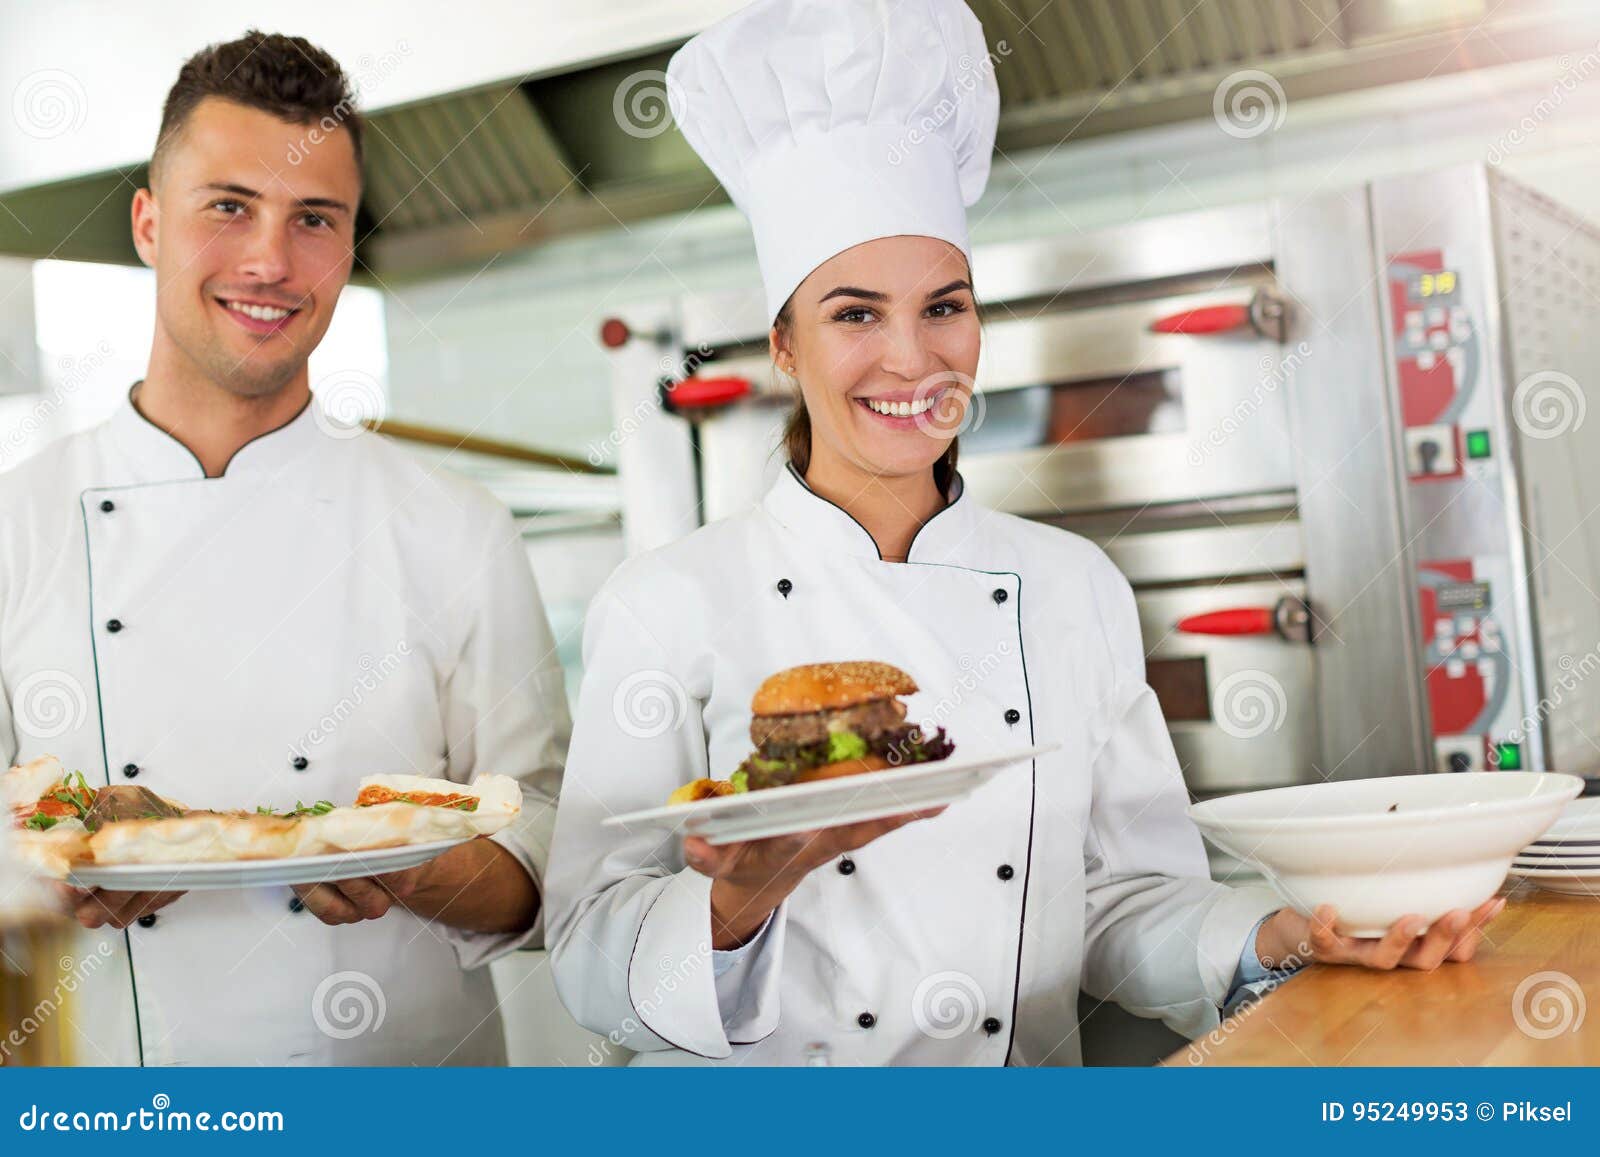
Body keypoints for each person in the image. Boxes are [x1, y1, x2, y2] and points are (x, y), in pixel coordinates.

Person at [544, 0, 1502, 1066]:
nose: (912, 359)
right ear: (782, 344)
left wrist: (1280, 936)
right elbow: (586, 949)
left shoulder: (1069, 582)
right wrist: (737, 903)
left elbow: (1120, 899)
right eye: (855, 314)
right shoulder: (667, 600)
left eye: (944, 306)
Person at [0, 31, 568, 1065]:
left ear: (349, 245)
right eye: (228, 206)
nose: (270, 261)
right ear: (147, 223)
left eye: (314, 218)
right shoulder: (16, 524)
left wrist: (407, 861)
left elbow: (546, 843)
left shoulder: (456, 527)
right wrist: (47, 870)